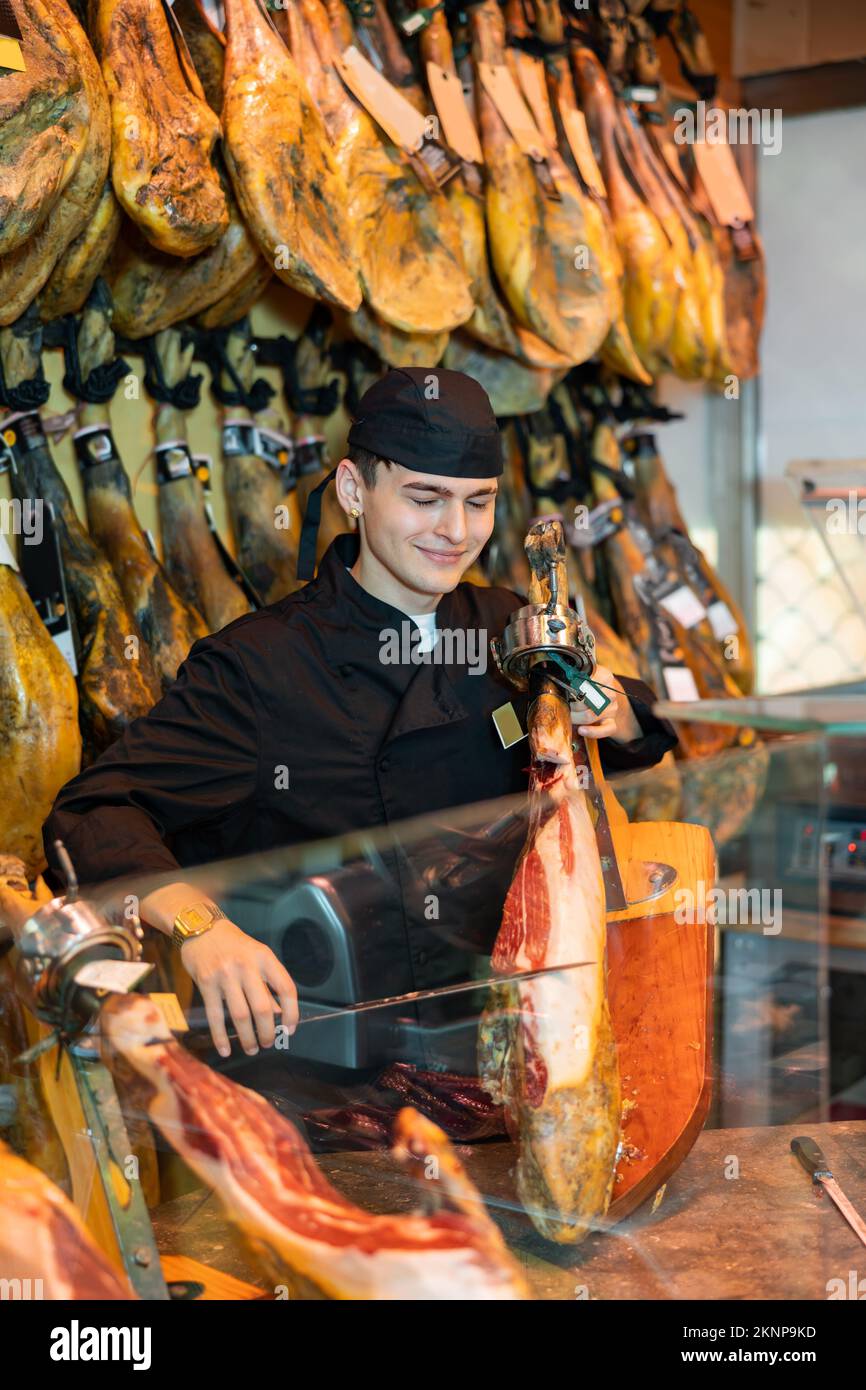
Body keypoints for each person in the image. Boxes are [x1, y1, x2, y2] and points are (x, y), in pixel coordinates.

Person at [43, 368, 677, 1059]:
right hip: (329, 1075)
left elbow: (635, 725)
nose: (456, 531)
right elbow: (96, 812)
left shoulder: (504, 625)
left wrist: (620, 716)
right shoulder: (259, 667)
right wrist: (202, 927)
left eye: (479, 502)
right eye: (426, 498)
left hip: (506, 1044)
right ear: (354, 491)